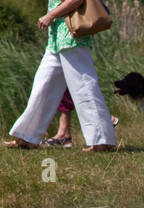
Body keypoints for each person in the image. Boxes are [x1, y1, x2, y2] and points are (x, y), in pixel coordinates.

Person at [5, 0, 117, 152]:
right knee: (43, 86)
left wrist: (50, 15)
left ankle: (102, 140)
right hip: (56, 38)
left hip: (72, 36)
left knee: (84, 86)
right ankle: (27, 137)